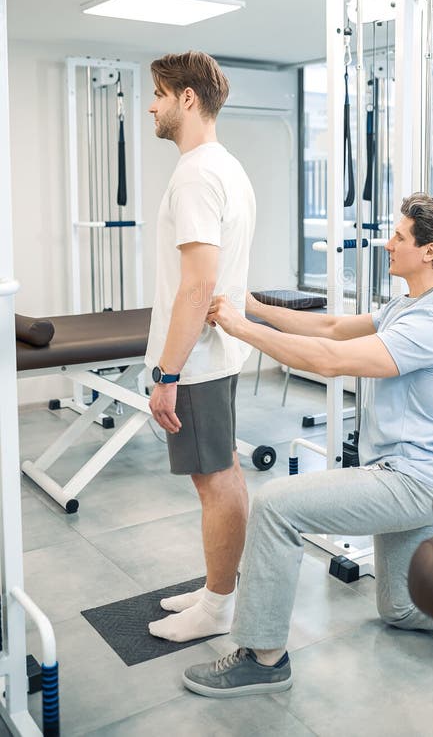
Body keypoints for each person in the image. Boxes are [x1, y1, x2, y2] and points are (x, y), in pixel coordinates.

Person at [181, 192, 433, 698]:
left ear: (428, 252)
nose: (387, 243)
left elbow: (329, 360)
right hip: (415, 477)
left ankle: (263, 655)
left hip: (410, 481)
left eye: (399, 237)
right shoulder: (408, 304)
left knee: (274, 505)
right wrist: (253, 306)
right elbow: (332, 327)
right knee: (400, 610)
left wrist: (240, 327)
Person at [145, 51, 255, 643]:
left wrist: (167, 373)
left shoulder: (194, 174)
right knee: (225, 473)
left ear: (188, 99)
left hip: (200, 363)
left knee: (213, 481)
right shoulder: (225, 166)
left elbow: (199, 283)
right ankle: (221, 587)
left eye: (159, 94)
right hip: (217, 357)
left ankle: (217, 608)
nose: (152, 105)